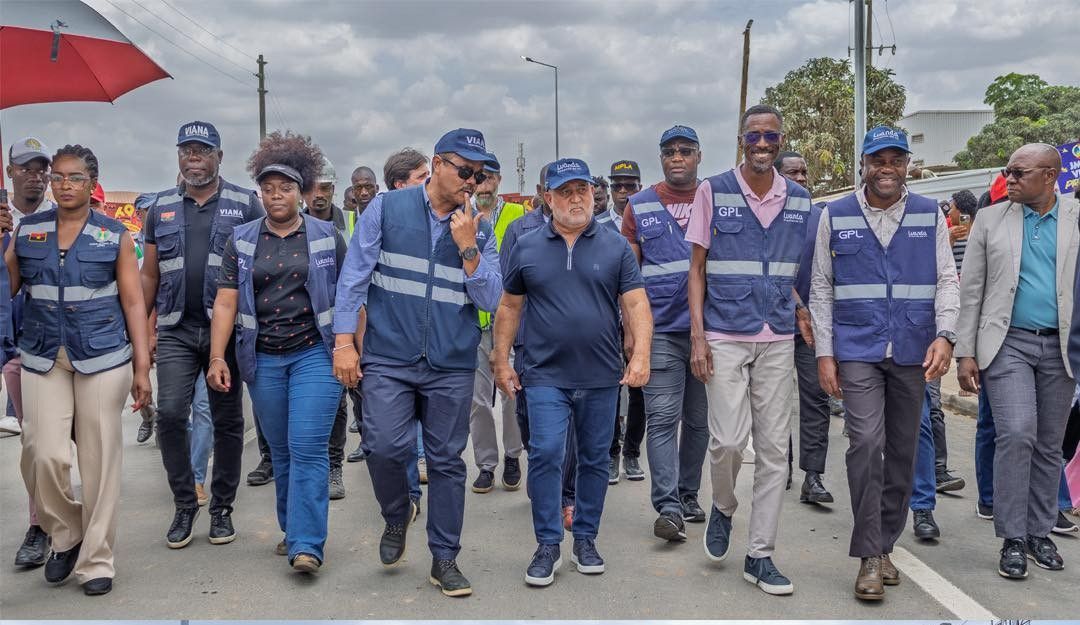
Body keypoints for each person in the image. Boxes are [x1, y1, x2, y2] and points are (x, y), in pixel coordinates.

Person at [333, 128, 501, 597]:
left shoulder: (480, 227)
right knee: (383, 446)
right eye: (465, 170)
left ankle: (444, 558)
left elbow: (490, 296)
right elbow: (353, 279)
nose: (473, 181)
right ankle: (397, 512)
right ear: (438, 164)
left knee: (447, 462)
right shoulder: (386, 209)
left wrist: (468, 246)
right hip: (389, 355)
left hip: (450, 362)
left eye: (480, 174)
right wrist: (343, 341)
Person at [810, 126, 959, 600]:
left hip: (914, 350)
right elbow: (820, 288)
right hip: (857, 350)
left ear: (908, 164)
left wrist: (946, 335)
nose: (888, 168)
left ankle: (885, 543)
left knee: (902, 452)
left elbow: (947, 281)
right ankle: (869, 555)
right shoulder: (835, 215)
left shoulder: (927, 213)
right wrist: (825, 353)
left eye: (897, 159)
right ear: (864, 165)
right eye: (879, 160)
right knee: (864, 443)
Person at [493, 157, 651, 587]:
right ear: (549, 199)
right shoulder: (526, 245)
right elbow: (509, 306)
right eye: (565, 191)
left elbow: (635, 302)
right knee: (545, 453)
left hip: (600, 375)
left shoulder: (614, 245)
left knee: (594, 458)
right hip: (544, 374)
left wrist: (640, 356)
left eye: (582, 190)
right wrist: (501, 359)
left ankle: (585, 538)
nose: (576, 198)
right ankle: (547, 544)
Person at [5, 144, 152, 596]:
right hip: (43, 354)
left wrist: (142, 367)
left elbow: (132, 299)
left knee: (100, 458)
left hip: (104, 356)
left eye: (74, 178)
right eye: (58, 178)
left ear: (92, 183)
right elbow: (8, 288)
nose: (64, 185)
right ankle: (67, 532)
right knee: (41, 452)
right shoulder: (26, 231)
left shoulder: (113, 235)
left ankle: (96, 561)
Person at [208, 131, 347, 574]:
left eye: (285, 187)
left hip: (315, 355)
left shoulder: (327, 237)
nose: (275, 196)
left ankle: (307, 543)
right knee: (283, 452)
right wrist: (216, 357)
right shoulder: (242, 239)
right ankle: (293, 528)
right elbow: (226, 301)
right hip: (263, 359)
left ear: (302, 191)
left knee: (307, 447)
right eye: (268, 189)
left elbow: (349, 296)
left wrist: (351, 349)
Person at [687, 104, 809, 596]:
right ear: (741, 140)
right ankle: (723, 505)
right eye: (754, 136)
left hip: (777, 334)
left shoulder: (799, 199)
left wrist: (801, 309)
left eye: (771, 136)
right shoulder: (712, 191)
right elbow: (695, 269)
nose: (763, 144)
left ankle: (760, 554)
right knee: (729, 442)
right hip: (724, 333)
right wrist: (697, 335)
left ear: (780, 141)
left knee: (776, 450)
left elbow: (797, 270)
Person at [141, 121, 264, 549]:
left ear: (219, 157)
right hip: (176, 328)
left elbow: (257, 268)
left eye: (202, 149)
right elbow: (150, 275)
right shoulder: (160, 208)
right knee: (171, 415)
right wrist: (144, 329)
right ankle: (184, 504)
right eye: (187, 150)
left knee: (228, 421)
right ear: (178, 156)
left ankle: (222, 508)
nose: (194, 156)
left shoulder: (245, 205)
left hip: (224, 331)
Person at [959, 143, 1078, 580]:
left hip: (1063, 348)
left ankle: (1039, 531)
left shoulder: (1075, 218)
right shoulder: (991, 219)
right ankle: (1011, 537)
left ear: (1049, 176)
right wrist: (965, 352)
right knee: (1016, 432)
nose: (1008, 180)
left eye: (1018, 173)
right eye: (1007, 171)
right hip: (1006, 344)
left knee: (1049, 443)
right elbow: (971, 289)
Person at [623, 125, 710, 541]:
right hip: (659, 333)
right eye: (670, 152)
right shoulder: (638, 206)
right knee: (661, 419)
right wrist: (632, 334)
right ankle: (669, 507)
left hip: (709, 332)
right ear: (661, 158)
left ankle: (689, 494)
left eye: (685, 151)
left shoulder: (716, 200)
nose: (678, 157)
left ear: (698, 156)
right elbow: (628, 279)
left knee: (698, 422)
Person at [2, 136, 55, 569]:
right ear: (10, 173)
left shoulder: (63, 217)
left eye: (41, 168)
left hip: (67, 347)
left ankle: (73, 519)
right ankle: (39, 526)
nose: (34, 176)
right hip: (19, 349)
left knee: (70, 445)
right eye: (26, 167)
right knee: (36, 441)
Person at [774, 150, 835, 505]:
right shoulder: (768, 218)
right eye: (792, 173)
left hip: (815, 327)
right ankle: (781, 464)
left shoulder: (821, 218)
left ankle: (813, 477)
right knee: (776, 402)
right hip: (775, 325)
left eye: (804, 173)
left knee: (816, 399)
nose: (800, 179)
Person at [468, 154, 525, 493]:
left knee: (512, 393)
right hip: (473, 323)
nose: (484, 185)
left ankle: (514, 456)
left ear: (499, 181)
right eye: (479, 178)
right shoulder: (463, 217)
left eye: (489, 178)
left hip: (511, 321)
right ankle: (486, 464)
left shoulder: (520, 215)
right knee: (477, 400)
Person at [303, 155, 350, 501]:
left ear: (335, 189)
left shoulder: (346, 224)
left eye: (326, 187)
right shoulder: (291, 223)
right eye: (313, 187)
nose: (319, 194)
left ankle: (335, 467)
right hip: (298, 325)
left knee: (337, 402)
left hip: (335, 328)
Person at [606, 160, 647, 483]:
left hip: (637, 318)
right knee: (607, 389)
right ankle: (611, 453)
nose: (622, 192)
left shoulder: (645, 221)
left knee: (639, 391)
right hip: (606, 322)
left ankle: (632, 452)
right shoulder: (597, 224)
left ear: (639, 188)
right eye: (616, 185)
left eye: (629, 185)